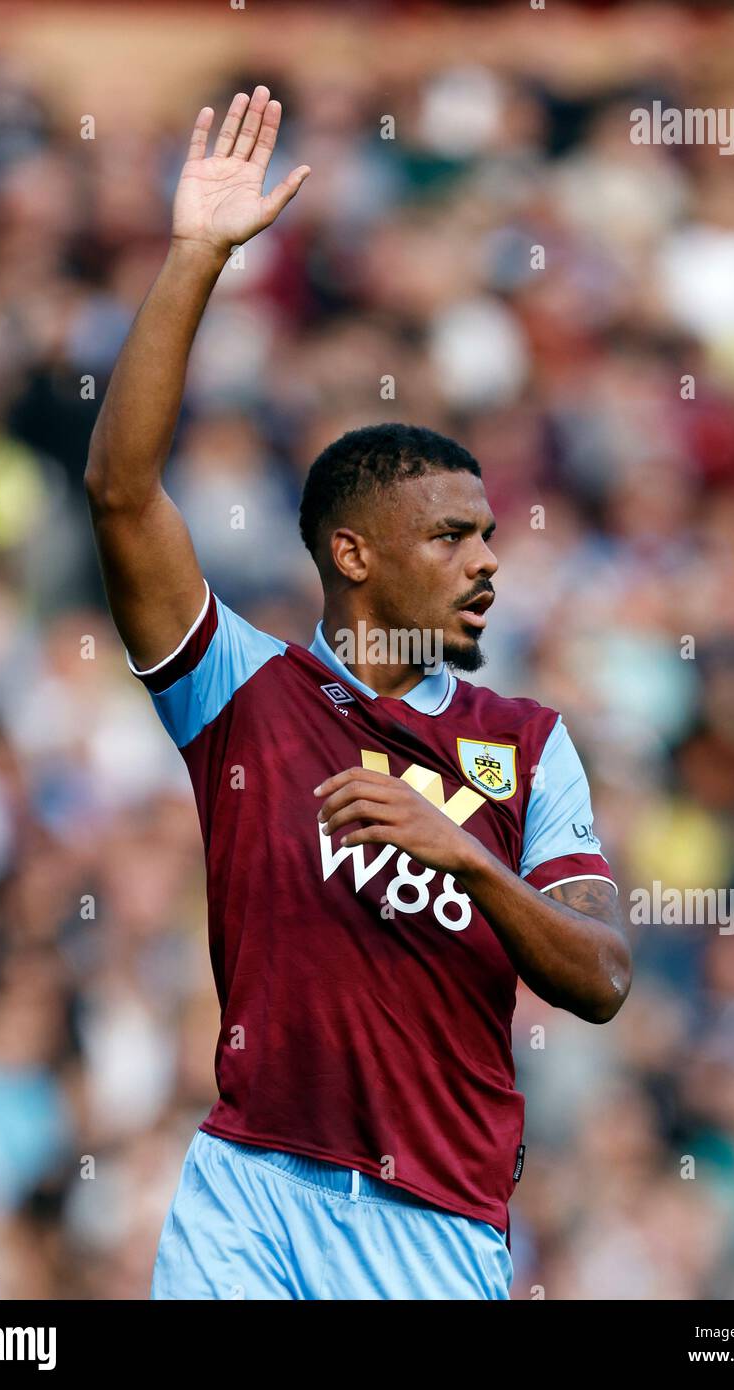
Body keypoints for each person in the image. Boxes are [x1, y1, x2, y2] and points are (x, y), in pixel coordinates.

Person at [85, 87, 632, 1301]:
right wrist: (194, 258)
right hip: (252, 1183)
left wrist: (472, 862)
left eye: (489, 536)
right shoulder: (241, 689)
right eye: (450, 536)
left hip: (433, 1222)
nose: (488, 559)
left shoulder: (528, 745)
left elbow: (599, 977)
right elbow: (122, 494)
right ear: (353, 555)